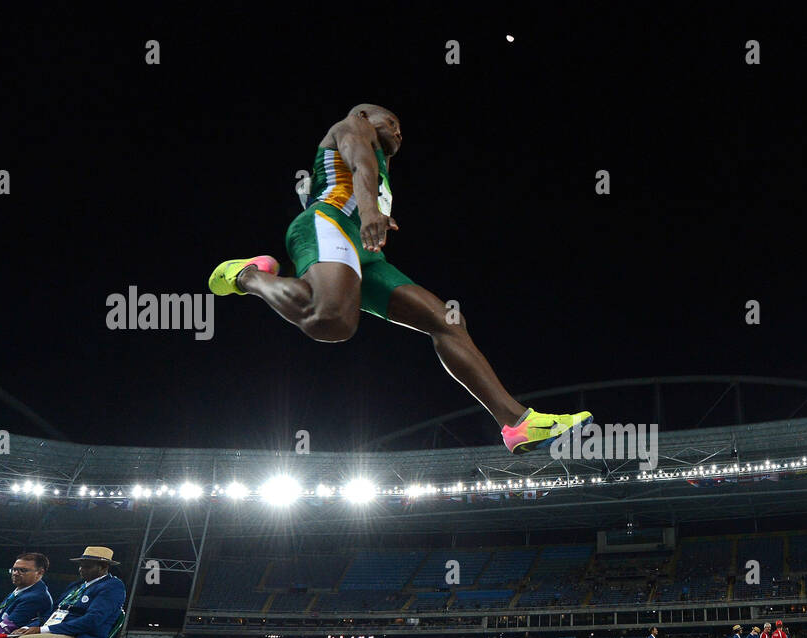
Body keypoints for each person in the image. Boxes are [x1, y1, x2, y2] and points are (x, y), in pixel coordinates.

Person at [208, 103, 591, 454]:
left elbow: (362, 178)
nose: (397, 130)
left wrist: (375, 209)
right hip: (327, 224)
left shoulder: (380, 163)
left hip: (364, 250)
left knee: (444, 320)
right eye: (390, 120)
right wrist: (372, 208)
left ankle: (517, 423)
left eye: (400, 127)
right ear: (365, 116)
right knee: (331, 322)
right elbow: (359, 166)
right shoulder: (352, 127)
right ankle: (247, 275)